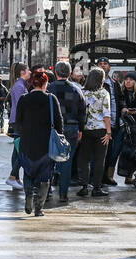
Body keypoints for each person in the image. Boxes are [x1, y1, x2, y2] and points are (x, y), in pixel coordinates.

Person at [14, 69, 64, 217]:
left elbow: (18, 121)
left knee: (28, 173)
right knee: (44, 177)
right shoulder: (51, 99)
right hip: (46, 145)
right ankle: (39, 208)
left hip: (27, 143)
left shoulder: (24, 99)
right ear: (45, 83)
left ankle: (28, 198)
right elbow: (59, 122)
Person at [48, 61, 87, 205]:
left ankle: (47, 191)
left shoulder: (49, 89)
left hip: (52, 128)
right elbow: (83, 112)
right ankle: (63, 194)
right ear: (69, 73)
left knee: (50, 159)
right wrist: (81, 130)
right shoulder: (76, 89)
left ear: (56, 73)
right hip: (72, 127)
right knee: (67, 162)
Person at [77, 67, 113, 197]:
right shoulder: (104, 93)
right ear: (101, 79)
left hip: (86, 129)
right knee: (99, 159)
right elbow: (106, 114)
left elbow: (80, 112)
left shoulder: (82, 92)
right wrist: (109, 132)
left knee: (84, 158)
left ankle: (84, 186)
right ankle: (97, 188)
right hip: (101, 130)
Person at [98, 59, 124, 186]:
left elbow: (120, 99)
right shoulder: (94, 82)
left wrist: (123, 108)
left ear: (109, 67)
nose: (103, 66)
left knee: (109, 153)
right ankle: (97, 178)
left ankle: (105, 177)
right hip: (100, 124)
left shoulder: (114, 84)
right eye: (100, 64)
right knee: (99, 153)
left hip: (113, 123)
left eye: (105, 64)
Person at [6, 63, 30, 189]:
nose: (30, 72)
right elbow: (22, 105)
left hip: (17, 120)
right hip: (19, 121)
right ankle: (12, 176)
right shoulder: (20, 86)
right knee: (20, 149)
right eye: (28, 70)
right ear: (22, 72)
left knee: (17, 150)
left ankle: (15, 178)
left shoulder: (19, 85)